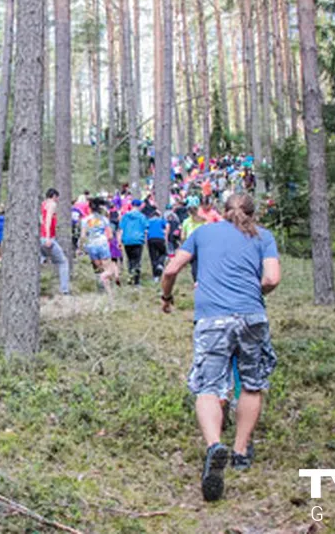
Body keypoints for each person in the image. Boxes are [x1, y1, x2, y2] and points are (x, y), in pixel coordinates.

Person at [160, 193, 281, 502]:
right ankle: (241, 451)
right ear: (253, 214)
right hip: (252, 317)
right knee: (252, 386)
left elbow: (171, 269)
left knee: (208, 388)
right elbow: (272, 278)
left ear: (222, 211)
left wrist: (167, 298)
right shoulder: (263, 237)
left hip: (212, 319)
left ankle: (215, 446)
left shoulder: (202, 232)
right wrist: (256, 290)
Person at [80, 198, 118, 295]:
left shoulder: (85, 220)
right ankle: (109, 292)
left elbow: (83, 236)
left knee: (98, 270)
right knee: (107, 269)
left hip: (91, 245)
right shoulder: (104, 219)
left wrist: (81, 248)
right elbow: (110, 236)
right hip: (103, 244)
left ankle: (101, 291)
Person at [39, 189, 71, 295]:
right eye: (57, 197)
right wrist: (48, 237)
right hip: (47, 238)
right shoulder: (51, 204)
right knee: (63, 262)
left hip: (41, 237)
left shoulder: (43, 204)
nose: (57, 200)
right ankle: (65, 290)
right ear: (54, 196)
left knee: (39, 261)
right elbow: (47, 221)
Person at [118, 202, 148, 286]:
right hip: (138, 240)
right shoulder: (142, 217)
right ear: (139, 206)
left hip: (127, 240)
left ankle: (130, 277)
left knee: (130, 260)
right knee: (137, 261)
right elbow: (146, 230)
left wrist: (119, 241)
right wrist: (145, 241)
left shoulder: (125, 216)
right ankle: (136, 281)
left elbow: (121, 230)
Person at [146, 209, 169, 280]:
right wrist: (166, 237)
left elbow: (146, 231)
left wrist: (146, 241)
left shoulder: (149, 221)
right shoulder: (161, 220)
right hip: (160, 238)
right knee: (163, 253)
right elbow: (168, 226)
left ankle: (155, 276)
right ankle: (160, 264)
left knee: (153, 257)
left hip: (151, 239)